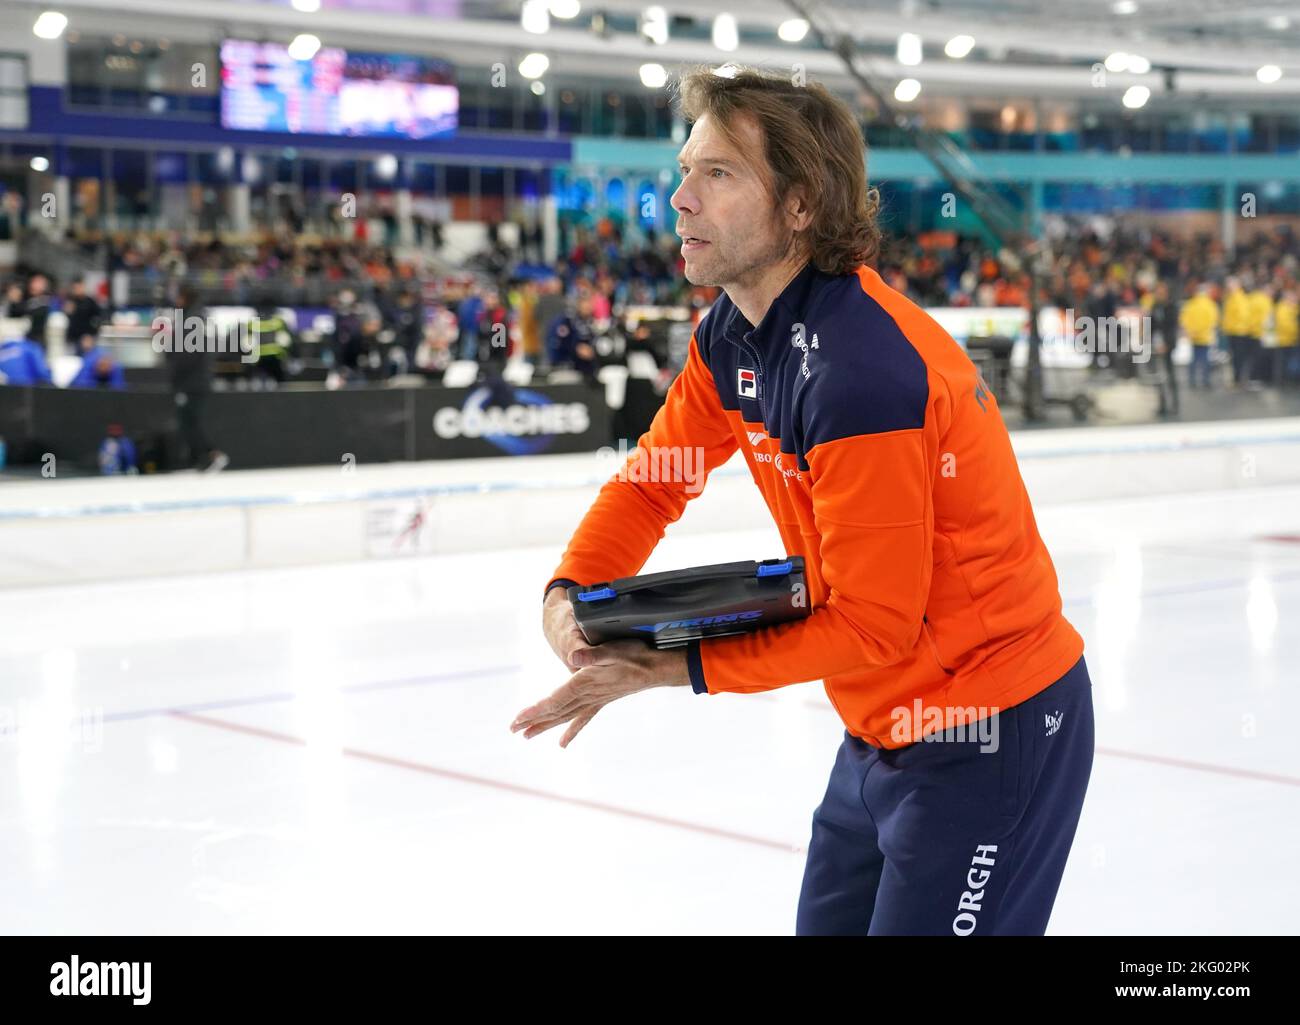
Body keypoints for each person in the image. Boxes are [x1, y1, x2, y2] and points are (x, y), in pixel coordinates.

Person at [512, 67, 1094, 937]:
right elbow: (651, 482)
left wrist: (668, 666)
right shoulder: (730, 337)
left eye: (718, 174)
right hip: (879, 731)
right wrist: (572, 591)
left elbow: (872, 624)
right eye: (685, 169)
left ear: (800, 204)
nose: (679, 199)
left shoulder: (862, 372)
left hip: (990, 729)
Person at [1179, 283, 1219, 389]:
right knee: (1205, 359)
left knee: (1193, 359)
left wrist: (1189, 331)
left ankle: (1192, 381)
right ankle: (1205, 381)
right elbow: (1213, 321)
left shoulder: (1190, 304)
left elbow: (1184, 319)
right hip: (1205, 336)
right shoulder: (1210, 305)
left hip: (1193, 336)